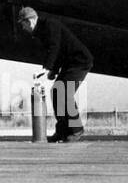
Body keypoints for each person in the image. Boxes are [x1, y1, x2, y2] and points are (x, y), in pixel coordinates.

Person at [17, 7, 92, 142]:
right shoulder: (42, 30)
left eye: (23, 24)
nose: (23, 29)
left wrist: (46, 68)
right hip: (69, 62)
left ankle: (77, 130)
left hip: (80, 61)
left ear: (29, 21)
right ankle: (62, 132)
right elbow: (59, 51)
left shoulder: (50, 25)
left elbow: (54, 47)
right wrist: (54, 70)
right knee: (57, 92)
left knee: (64, 92)